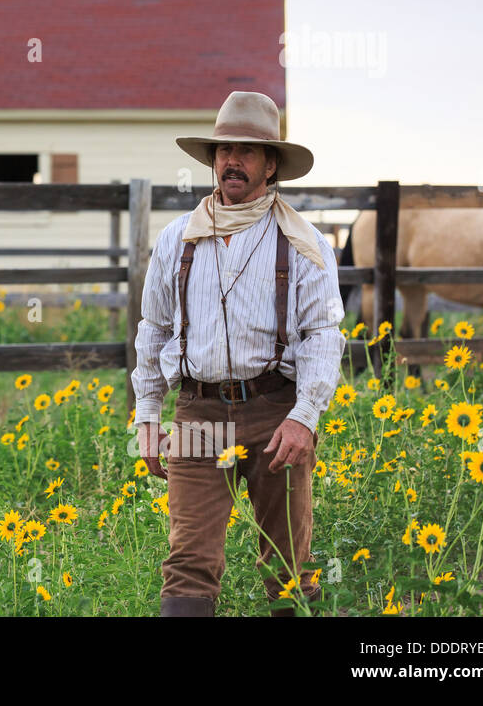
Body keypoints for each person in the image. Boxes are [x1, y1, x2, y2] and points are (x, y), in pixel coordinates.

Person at [133, 91, 345, 616]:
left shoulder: (303, 243)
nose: (232, 161)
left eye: (247, 151)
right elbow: (154, 329)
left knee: (287, 563)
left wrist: (305, 417)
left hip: (276, 409)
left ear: (270, 164)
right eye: (223, 150)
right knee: (188, 560)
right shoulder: (177, 240)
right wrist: (147, 414)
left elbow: (323, 334)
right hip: (198, 411)